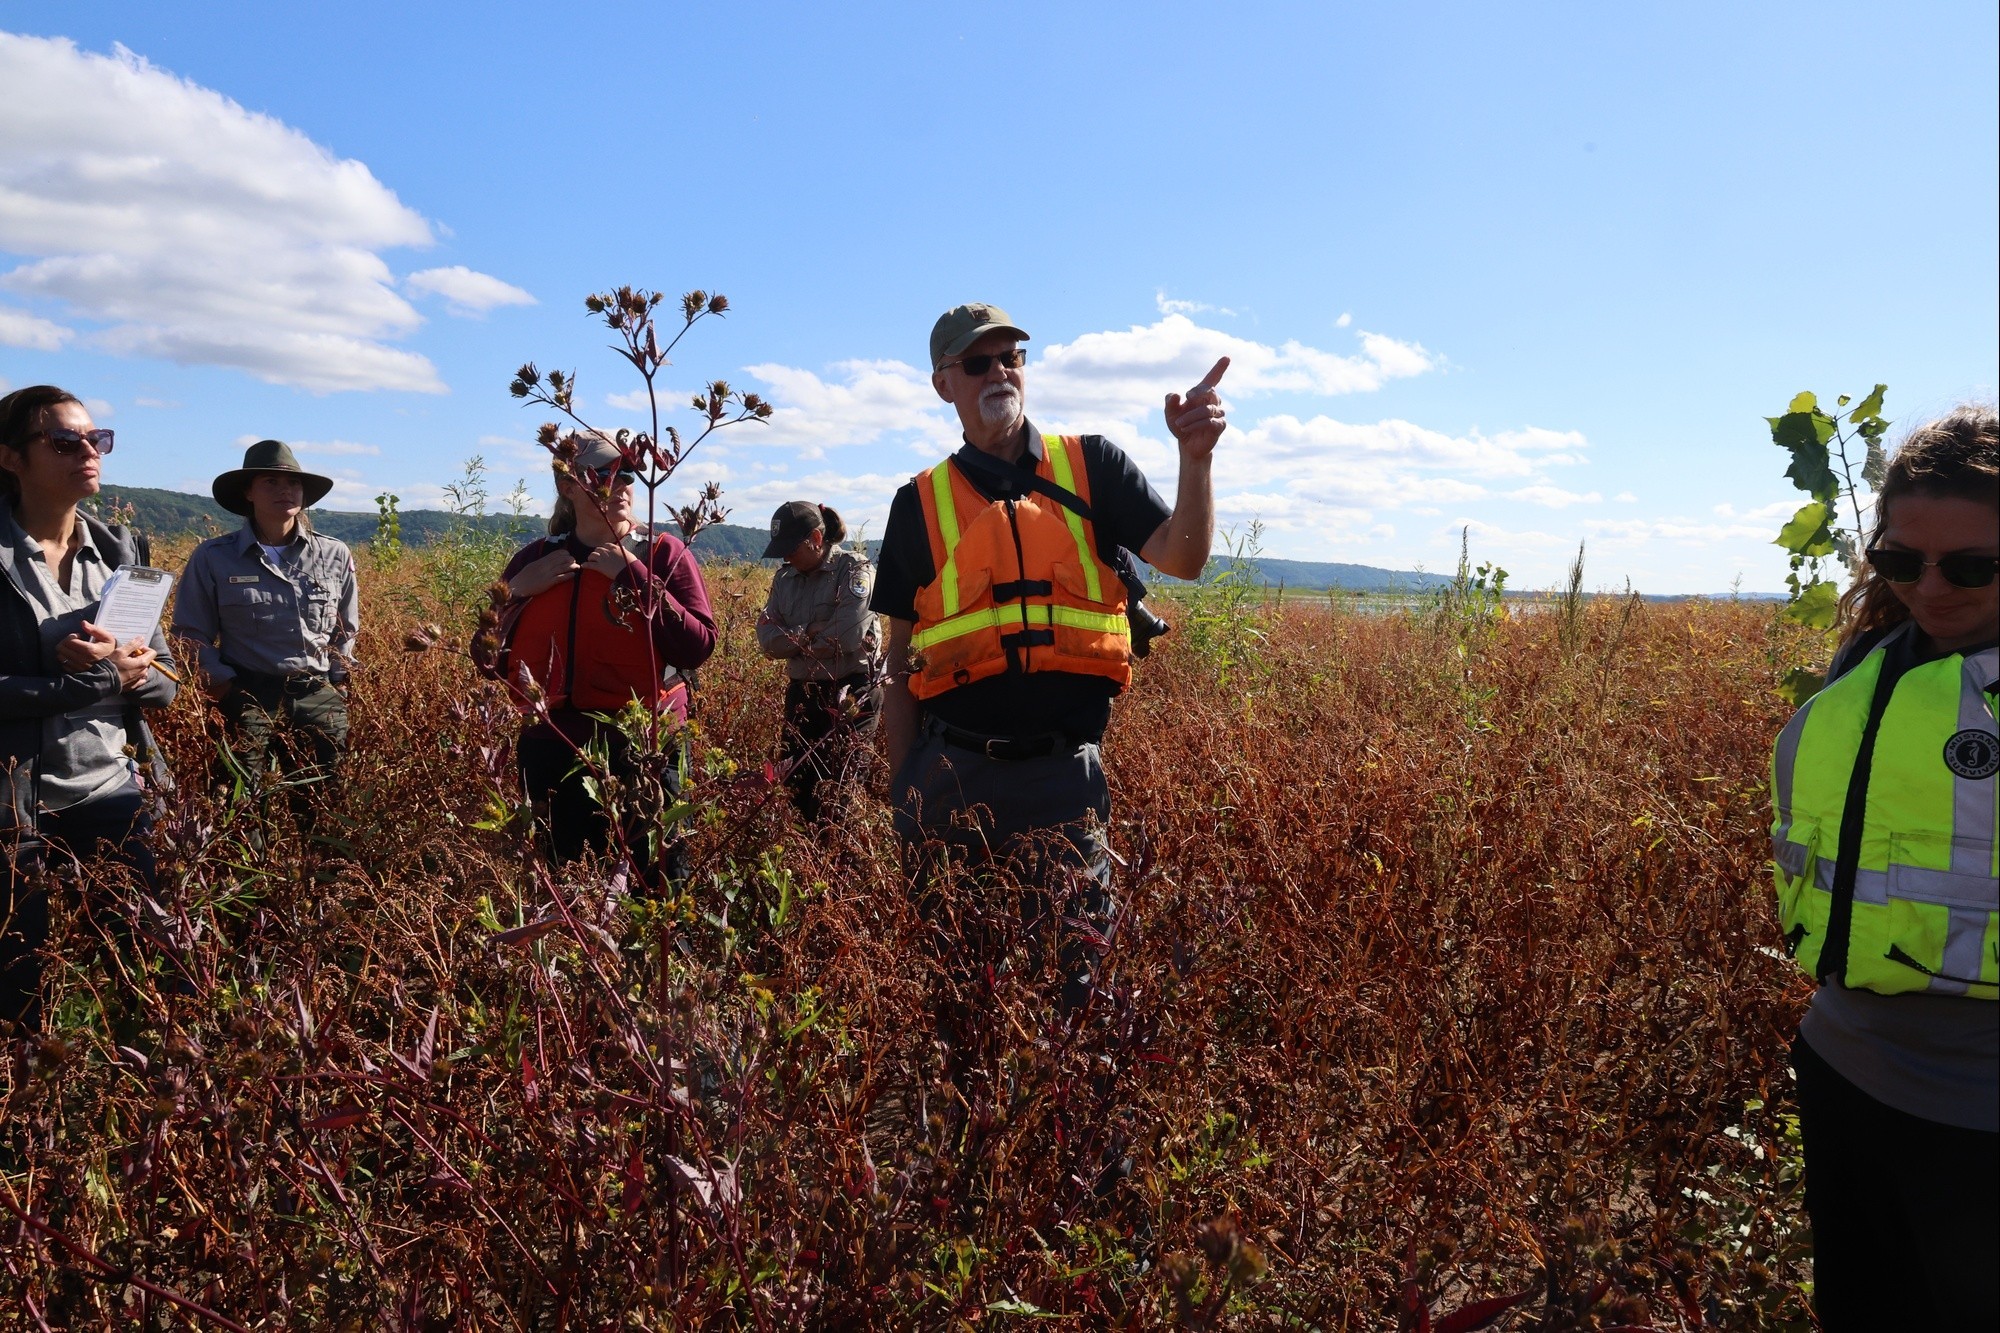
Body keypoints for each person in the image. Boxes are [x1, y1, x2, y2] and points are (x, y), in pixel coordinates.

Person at [870, 301, 1228, 1025]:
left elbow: (1184, 555)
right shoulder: (918, 504)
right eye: (978, 362)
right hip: (950, 781)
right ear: (945, 384)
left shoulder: (1093, 466)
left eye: (1012, 358)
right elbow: (899, 665)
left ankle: (1087, 1141)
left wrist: (1196, 460)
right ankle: (970, 1133)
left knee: (1081, 994)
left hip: (1063, 779)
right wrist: (905, 787)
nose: (1000, 371)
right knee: (955, 996)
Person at [1769, 404, 1997, 1330]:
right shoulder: (1871, 662)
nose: (1930, 588)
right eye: (1902, 561)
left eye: (1972, 566)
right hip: (1846, 1073)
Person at [1, 385, 178, 1033]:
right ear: (11, 458)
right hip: (13, 806)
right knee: (18, 983)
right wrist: (85, 682)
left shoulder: (120, 556)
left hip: (110, 794)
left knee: (148, 968)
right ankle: (32, 1119)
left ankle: (153, 1109)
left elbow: (167, 685)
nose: (88, 452)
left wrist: (128, 674)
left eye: (96, 439)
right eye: (64, 441)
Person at [482, 434, 716, 886]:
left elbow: (698, 646)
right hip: (554, 747)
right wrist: (519, 592)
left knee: (659, 888)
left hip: (645, 747)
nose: (621, 485)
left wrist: (633, 574)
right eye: (603, 475)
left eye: (627, 474)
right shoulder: (534, 560)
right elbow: (486, 660)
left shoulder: (663, 554)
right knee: (563, 887)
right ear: (568, 487)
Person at [173, 440, 359, 837]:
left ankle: (320, 887)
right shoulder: (213, 556)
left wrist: (338, 680)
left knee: (323, 805)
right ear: (248, 493)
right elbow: (190, 631)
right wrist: (224, 688)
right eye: (270, 481)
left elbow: (347, 627)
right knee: (239, 805)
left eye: (293, 483)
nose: (284, 491)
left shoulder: (333, 554)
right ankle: (249, 891)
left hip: (316, 692)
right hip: (247, 692)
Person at [755, 501, 882, 822]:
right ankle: (806, 869)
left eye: (791, 548)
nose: (785, 557)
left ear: (815, 537)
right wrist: (810, 630)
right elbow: (768, 641)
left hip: (853, 692)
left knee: (839, 796)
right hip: (803, 695)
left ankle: (841, 868)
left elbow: (847, 637)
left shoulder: (855, 570)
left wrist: (794, 640)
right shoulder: (784, 579)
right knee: (797, 792)